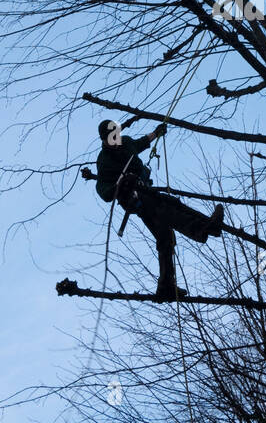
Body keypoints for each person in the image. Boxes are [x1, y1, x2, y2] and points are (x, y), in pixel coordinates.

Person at [95, 119, 225, 301]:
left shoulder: (126, 143)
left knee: (165, 237)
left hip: (146, 191)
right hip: (136, 199)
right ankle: (203, 228)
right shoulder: (104, 161)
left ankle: (166, 286)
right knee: (168, 208)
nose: (116, 140)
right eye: (112, 137)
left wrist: (156, 133)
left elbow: (141, 142)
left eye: (117, 135)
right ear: (104, 139)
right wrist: (120, 184)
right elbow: (103, 191)